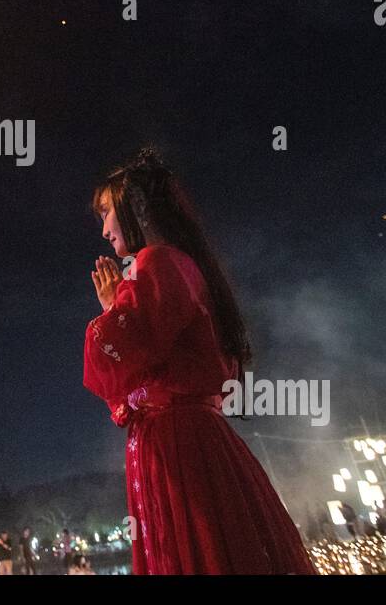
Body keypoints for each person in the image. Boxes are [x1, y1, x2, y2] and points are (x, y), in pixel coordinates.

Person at [83, 147, 317, 574]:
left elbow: (121, 357)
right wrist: (118, 306)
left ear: (135, 207)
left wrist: (113, 311)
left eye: (105, 212)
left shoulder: (160, 262)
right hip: (183, 440)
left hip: (179, 446)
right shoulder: (172, 265)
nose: (103, 230)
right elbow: (136, 372)